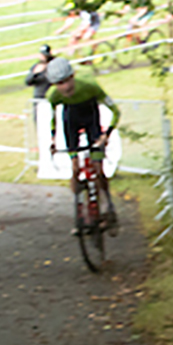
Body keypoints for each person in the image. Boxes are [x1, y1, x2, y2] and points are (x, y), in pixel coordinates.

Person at [45, 57, 120, 230]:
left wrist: (106, 135)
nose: (65, 88)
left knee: (99, 169)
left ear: (73, 76)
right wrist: (53, 139)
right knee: (75, 168)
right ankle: (78, 212)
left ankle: (107, 205)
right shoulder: (54, 96)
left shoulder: (90, 87)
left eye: (67, 82)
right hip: (70, 120)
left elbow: (115, 111)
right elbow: (53, 118)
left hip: (91, 118)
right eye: (59, 84)